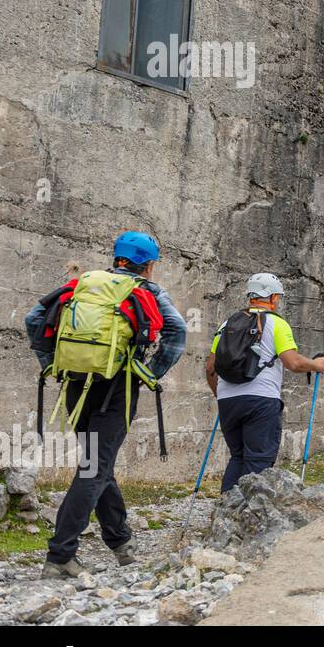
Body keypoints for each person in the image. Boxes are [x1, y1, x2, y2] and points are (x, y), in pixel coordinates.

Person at [25, 231, 187, 579]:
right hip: (118, 388)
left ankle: (120, 543)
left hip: (75, 385)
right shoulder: (147, 291)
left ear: (118, 258)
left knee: (97, 462)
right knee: (94, 467)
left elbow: (33, 319)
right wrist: (149, 373)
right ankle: (60, 556)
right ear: (149, 264)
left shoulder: (83, 284)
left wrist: (51, 364)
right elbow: (178, 331)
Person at [206, 273, 324, 491]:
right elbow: (294, 363)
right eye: (277, 296)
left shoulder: (226, 324)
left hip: (227, 402)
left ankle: (227, 512)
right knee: (258, 460)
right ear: (271, 297)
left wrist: (222, 396)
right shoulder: (276, 323)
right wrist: (317, 365)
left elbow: (210, 369)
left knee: (238, 457)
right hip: (261, 401)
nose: (278, 301)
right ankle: (246, 517)